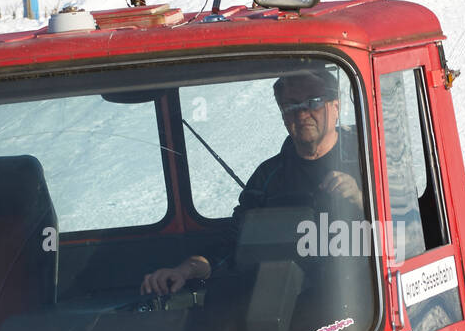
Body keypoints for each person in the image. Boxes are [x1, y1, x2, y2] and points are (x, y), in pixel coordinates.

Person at [141, 68, 364, 295]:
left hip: (367, 299)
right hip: (293, 300)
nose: (302, 113)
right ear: (282, 114)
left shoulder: (368, 158)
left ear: (336, 106)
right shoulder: (267, 178)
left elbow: (399, 227)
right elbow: (233, 245)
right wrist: (184, 271)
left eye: (313, 102)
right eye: (291, 106)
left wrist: (360, 198)